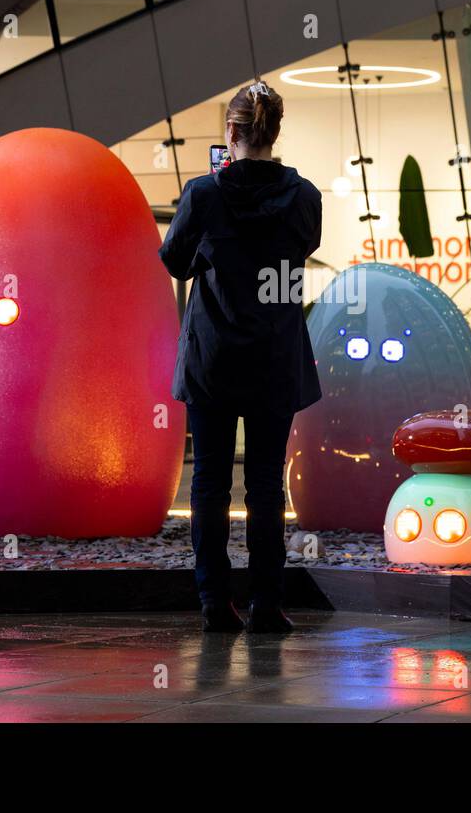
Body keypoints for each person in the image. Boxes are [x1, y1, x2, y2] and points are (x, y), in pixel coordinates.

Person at [159, 81, 321, 634]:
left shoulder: (203, 194)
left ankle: (213, 601)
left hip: (214, 358)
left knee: (208, 482)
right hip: (274, 355)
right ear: (274, 132)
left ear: (231, 132)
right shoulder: (305, 197)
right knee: (266, 484)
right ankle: (267, 603)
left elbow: (175, 261)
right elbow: (299, 251)